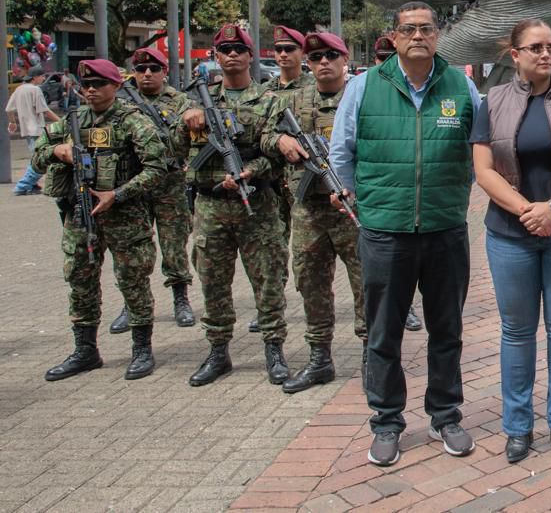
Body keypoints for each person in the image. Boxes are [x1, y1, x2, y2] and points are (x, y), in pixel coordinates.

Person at [329, 2, 483, 467]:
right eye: (408, 29)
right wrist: (363, 200)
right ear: (394, 37)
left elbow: (479, 150)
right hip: (384, 233)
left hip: (445, 229)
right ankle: (386, 421)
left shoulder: (461, 86)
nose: (418, 36)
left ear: (438, 35)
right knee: (383, 333)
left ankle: (445, 415)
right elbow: (341, 153)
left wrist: (454, 194)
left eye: (426, 29)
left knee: (447, 330)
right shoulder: (364, 87)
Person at [471, 18, 551, 463]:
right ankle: (518, 426)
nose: (546, 54)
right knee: (517, 332)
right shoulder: (492, 102)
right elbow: (483, 170)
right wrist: (528, 211)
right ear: (515, 55)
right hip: (510, 235)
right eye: (535, 47)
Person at [183, 24, 305, 387]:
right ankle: (218, 351)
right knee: (213, 282)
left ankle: (274, 349)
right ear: (216, 56)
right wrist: (185, 123)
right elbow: (176, 151)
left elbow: (279, 155)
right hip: (211, 206)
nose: (232, 55)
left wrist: (251, 171)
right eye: (225, 50)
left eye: (239, 49)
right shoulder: (197, 102)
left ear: (251, 55)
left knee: (268, 280)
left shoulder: (270, 100)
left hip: (258, 204)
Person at [34, 59, 168, 382]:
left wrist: (118, 194)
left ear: (116, 86)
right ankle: (85, 350)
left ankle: (142, 349)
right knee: (79, 278)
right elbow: (38, 158)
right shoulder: (72, 121)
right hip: (81, 214)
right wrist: (58, 152)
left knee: (133, 280)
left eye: (99, 84)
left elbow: (157, 169)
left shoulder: (132, 121)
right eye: (86, 85)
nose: (91, 90)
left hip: (124, 215)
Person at [280, 32, 368, 394]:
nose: (324, 63)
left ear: (345, 59)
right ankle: (319, 359)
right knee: (311, 282)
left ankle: (371, 356)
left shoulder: (361, 97)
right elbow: (261, 135)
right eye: (316, 58)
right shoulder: (292, 99)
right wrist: (280, 140)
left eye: (331, 56)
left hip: (352, 205)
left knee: (366, 283)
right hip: (309, 210)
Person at [107, 48, 196, 334]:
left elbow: (193, 140)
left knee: (174, 245)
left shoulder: (181, 101)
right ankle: (131, 305)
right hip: (135, 185)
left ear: (164, 72)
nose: (147, 74)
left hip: (170, 184)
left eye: (154, 69)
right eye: (141, 69)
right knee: (132, 250)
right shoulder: (121, 103)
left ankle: (181, 299)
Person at [8, 64, 59, 195]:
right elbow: (45, 110)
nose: (43, 79)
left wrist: (13, 122)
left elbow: (9, 109)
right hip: (36, 129)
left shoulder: (19, 89)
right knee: (41, 158)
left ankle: (32, 185)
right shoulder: (36, 90)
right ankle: (23, 186)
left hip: (26, 130)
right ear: (35, 77)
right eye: (42, 76)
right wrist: (62, 121)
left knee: (36, 157)